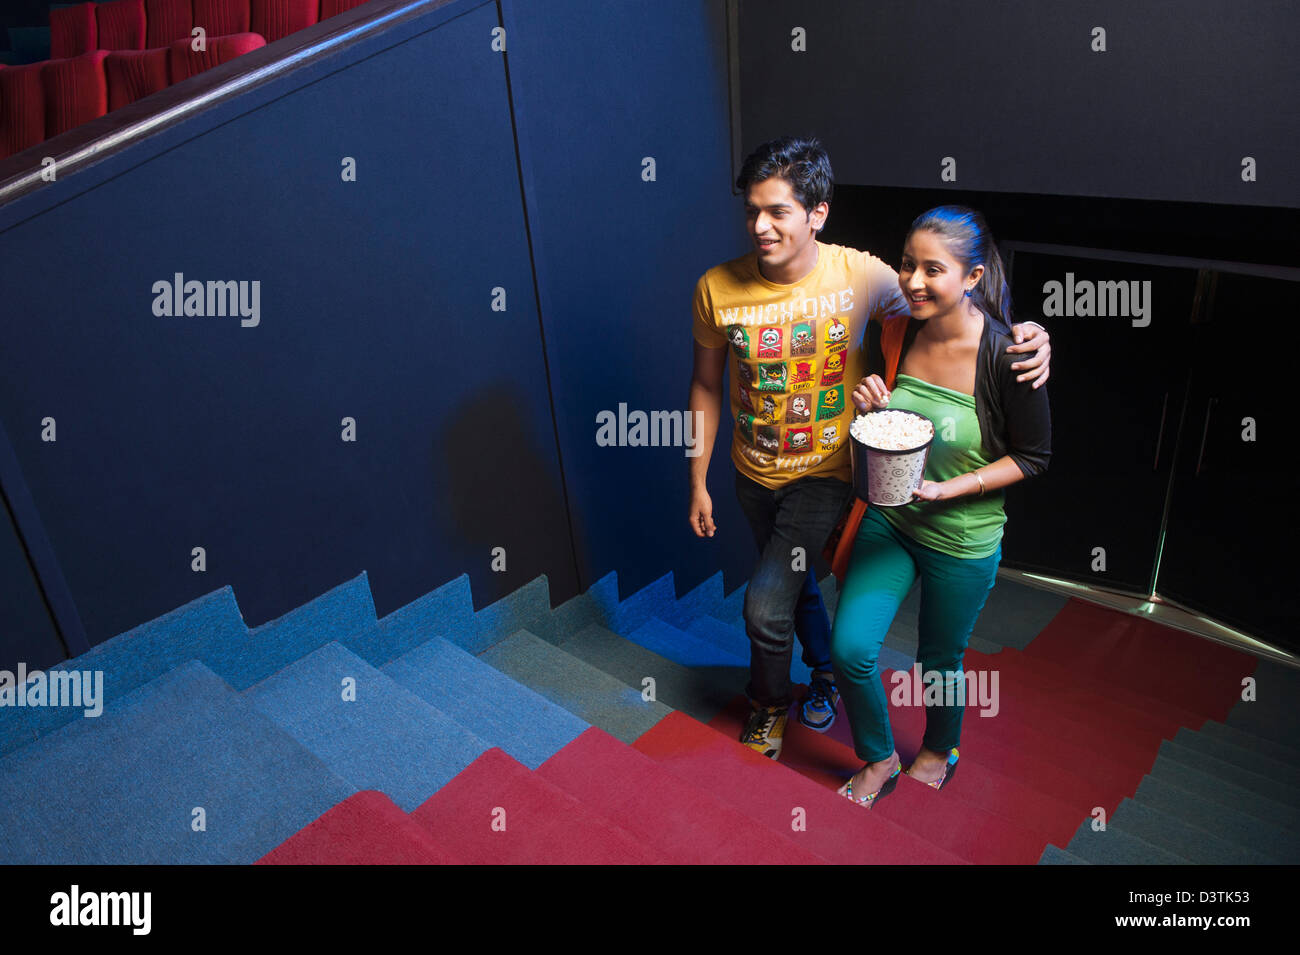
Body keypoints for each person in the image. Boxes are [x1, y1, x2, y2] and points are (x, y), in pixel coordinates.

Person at [687, 138, 1052, 760]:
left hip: (833, 476)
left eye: (778, 211)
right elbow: (704, 383)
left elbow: (963, 308)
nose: (761, 226)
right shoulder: (723, 288)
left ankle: (772, 706)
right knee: (799, 590)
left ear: (817, 213)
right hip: (757, 474)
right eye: (752, 211)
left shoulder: (867, 276)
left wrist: (1033, 334)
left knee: (766, 604)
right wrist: (698, 479)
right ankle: (829, 680)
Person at [832, 204, 1051, 806]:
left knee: (937, 661)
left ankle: (938, 748)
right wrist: (872, 414)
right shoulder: (900, 330)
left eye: (934, 269)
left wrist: (948, 489)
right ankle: (879, 758)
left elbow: (1033, 457)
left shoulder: (1011, 355)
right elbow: (900, 434)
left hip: (962, 538)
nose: (913, 281)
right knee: (850, 649)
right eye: (907, 265)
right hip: (892, 521)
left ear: (973, 278)